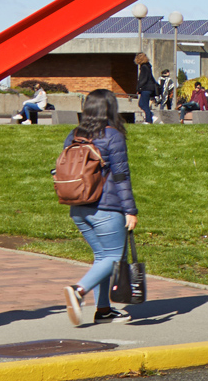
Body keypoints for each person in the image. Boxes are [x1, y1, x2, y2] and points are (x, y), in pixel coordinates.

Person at [61, 89, 139, 326]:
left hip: (77, 207)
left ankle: (103, 309)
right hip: (106, 208)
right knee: (114, 257)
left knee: (102, 257)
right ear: (110, 108)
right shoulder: (112, 135)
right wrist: (130, 210)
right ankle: (78, 290)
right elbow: (120, 176)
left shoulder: (74, 135)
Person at [134, 54, 160, 124]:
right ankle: (151, 116)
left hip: (146, 88)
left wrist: (138, 88)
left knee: (144, 105)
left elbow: (143, 79)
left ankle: (148, 120)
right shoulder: (148, 66)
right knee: (141, 104)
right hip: (149, 88)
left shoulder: (144, 67)